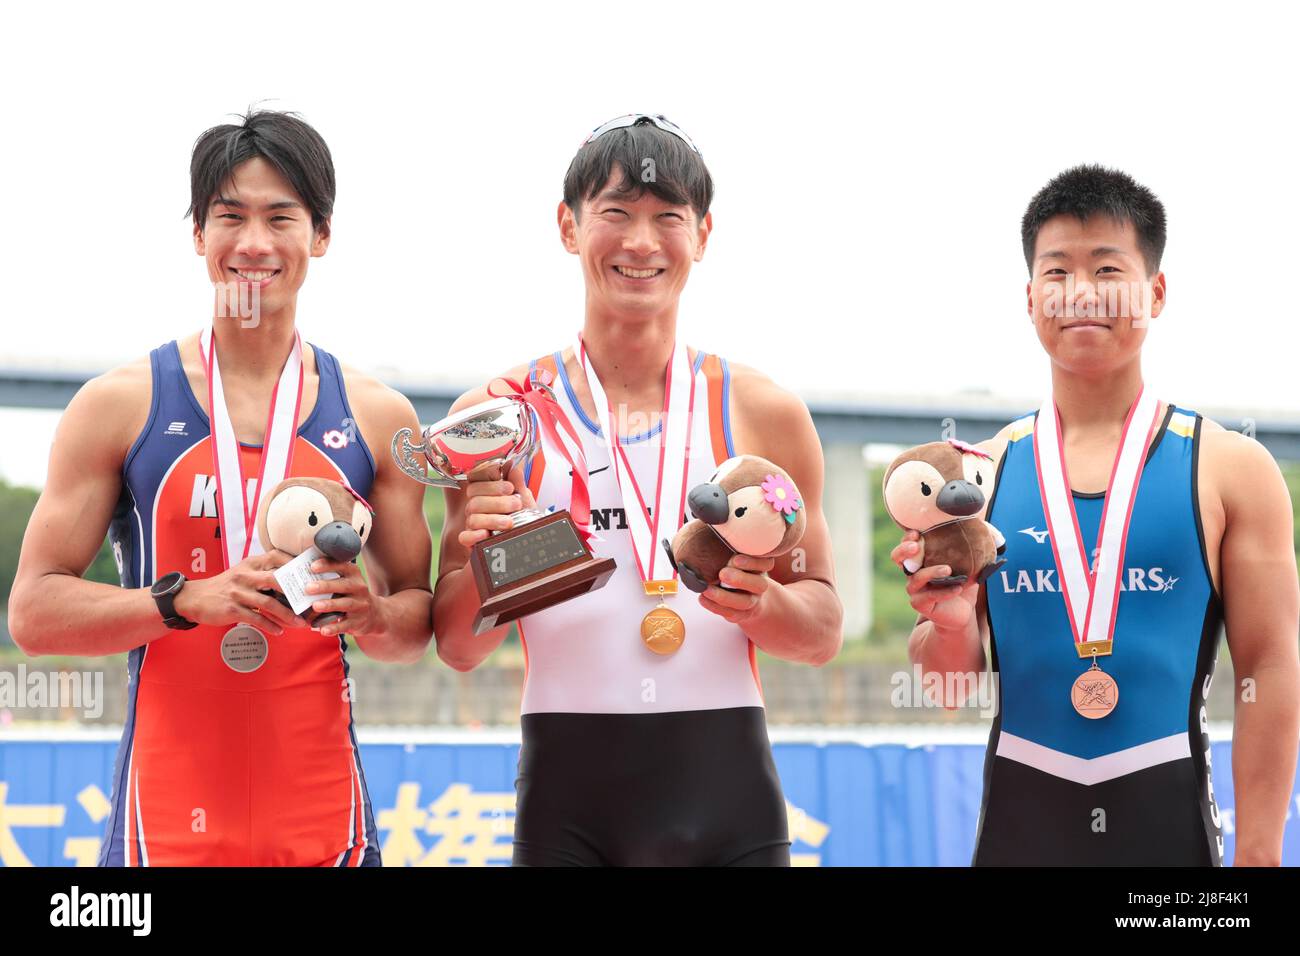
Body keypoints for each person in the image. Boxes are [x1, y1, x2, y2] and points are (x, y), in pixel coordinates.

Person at [8, 109, 435, 866]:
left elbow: (412, 629)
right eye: (230, 216)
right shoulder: (120, 404)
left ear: (322, 235)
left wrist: (369, 614)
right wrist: (180, 602)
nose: (254, 244)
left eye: (282, 217)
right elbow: (34, 615)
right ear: (198, 235)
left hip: (328, 832)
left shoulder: (374, 415)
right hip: (159, 835)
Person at [432, 114, 843, 866]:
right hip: (567, 809)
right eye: (616, 214)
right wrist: (503, 561)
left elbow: (820, 634)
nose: (641, 243)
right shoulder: (496, 417)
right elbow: (458, 646)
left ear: (704, 234)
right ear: (568, 225)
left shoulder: (762, 411)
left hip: (732, 807)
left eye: (668, 219)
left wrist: (759, 599)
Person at [895, 165, 1300, 866]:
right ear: (1030, 299)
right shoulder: (977, 477)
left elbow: (1270, 666)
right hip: (1019, 837)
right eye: (1057, 272)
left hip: (1173, 842)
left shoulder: (1230, 469)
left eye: (1107, 268)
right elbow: (947, 690)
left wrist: (1260, 856)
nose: (1081, 292)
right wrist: (951, 624)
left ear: (1156, 292)